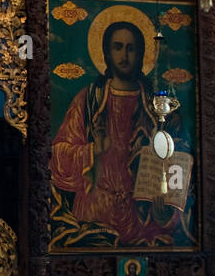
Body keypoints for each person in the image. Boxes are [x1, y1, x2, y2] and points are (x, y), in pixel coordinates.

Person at [51, 20, 183, 244]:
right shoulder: (89, 100)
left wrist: (166, 202)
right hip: (95, 211)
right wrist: (91, 151)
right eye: (118, 47)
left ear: (141, 54)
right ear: (107, 53)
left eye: (131, 48)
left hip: (142, 216)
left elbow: (177, 158)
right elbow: (59, 154)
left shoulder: (157, 105)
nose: (125, 54)